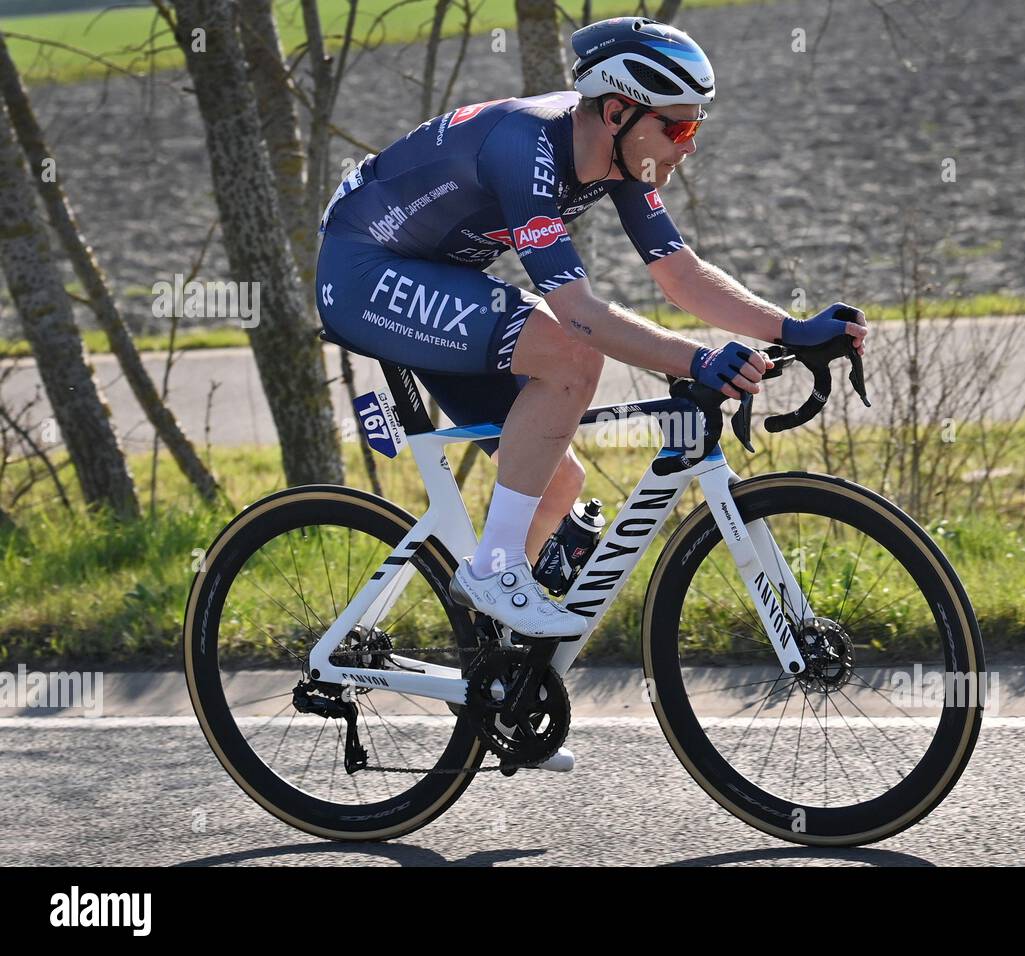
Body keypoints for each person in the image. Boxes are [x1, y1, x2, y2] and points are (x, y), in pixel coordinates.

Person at [316, 16, 867, 644]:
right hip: (363, 271)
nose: (689, 146)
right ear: (616, 112)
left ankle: (497, 681)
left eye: (697, 126)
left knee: (559, 482)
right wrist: (696, 360)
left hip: (435, 274)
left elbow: (680, 275)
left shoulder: (622, 156)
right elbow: (578, 311)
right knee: (571, 355)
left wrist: (790, 328)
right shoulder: (525, 148)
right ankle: (497, 570)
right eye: (679, 126)